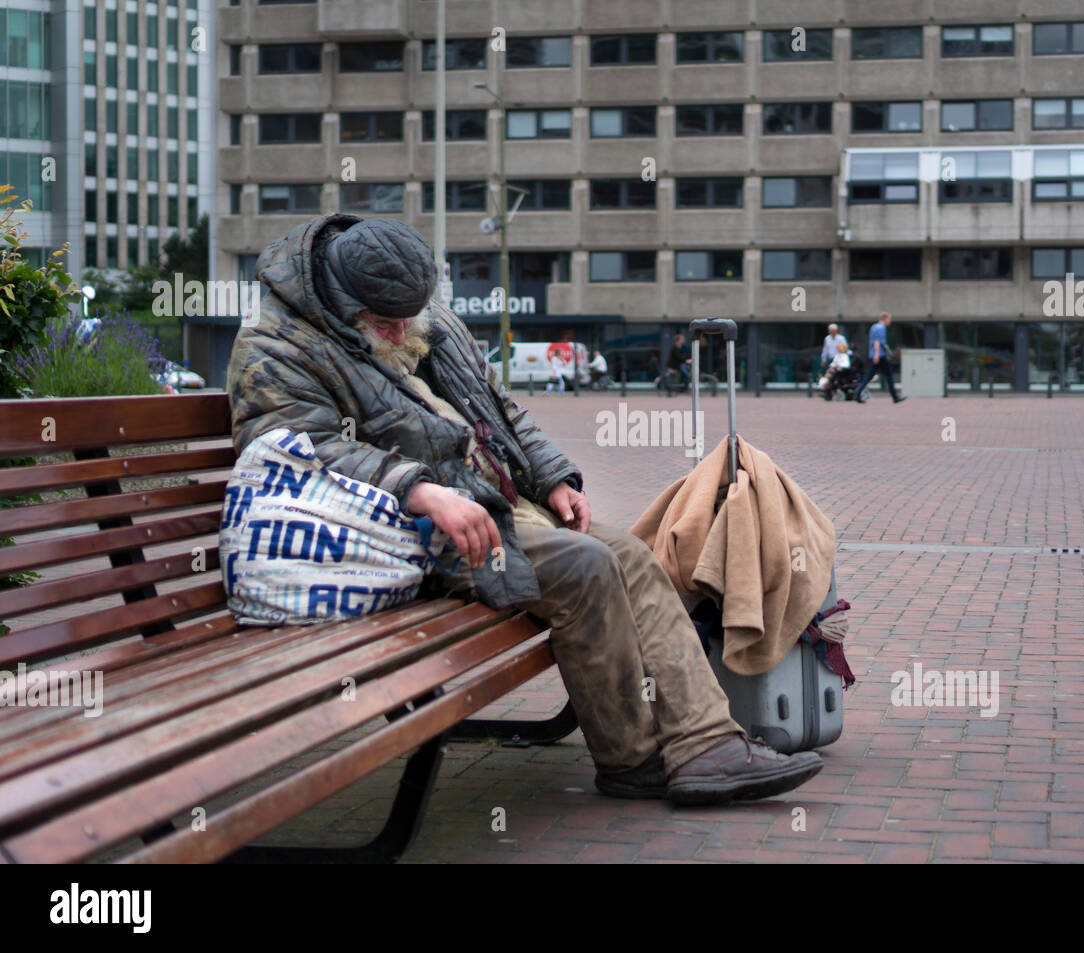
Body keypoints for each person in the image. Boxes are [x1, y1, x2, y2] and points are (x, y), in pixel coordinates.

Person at [227, 214, 823, 805]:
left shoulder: (421, 317)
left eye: (412, 314)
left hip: (498, 508)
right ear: (341, 299)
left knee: (632, 556)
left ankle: (705, 744)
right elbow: (298, 449)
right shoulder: (276, 346)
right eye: (389, 322)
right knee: (586, 567)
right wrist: (418, 489)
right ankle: (632, 759)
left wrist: (552, 475)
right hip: (405, 537)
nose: (406, 327)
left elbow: (500, 407)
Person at [856, 312, 905, 404]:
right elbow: (877, 342)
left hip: (875, 355)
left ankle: (858, 393)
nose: (889, 321)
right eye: (889, 319)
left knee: (870, 376)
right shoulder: (881, 328)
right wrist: (877, 354)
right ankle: (895, 397)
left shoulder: (874, 327)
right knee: (889, 376)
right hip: (880, 356)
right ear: (885, 319)